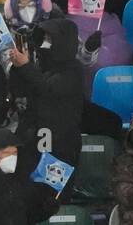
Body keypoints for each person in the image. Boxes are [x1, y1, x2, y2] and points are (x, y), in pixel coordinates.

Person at [8, 17, 86, 167]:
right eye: (44, 37)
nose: (45, 42)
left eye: (50, 38)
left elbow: (49, 88)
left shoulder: (73, 70)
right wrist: (17, 67)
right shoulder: (42, 64)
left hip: (60, 138)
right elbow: (19, 89)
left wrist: (25, 67)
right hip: (34, 132)